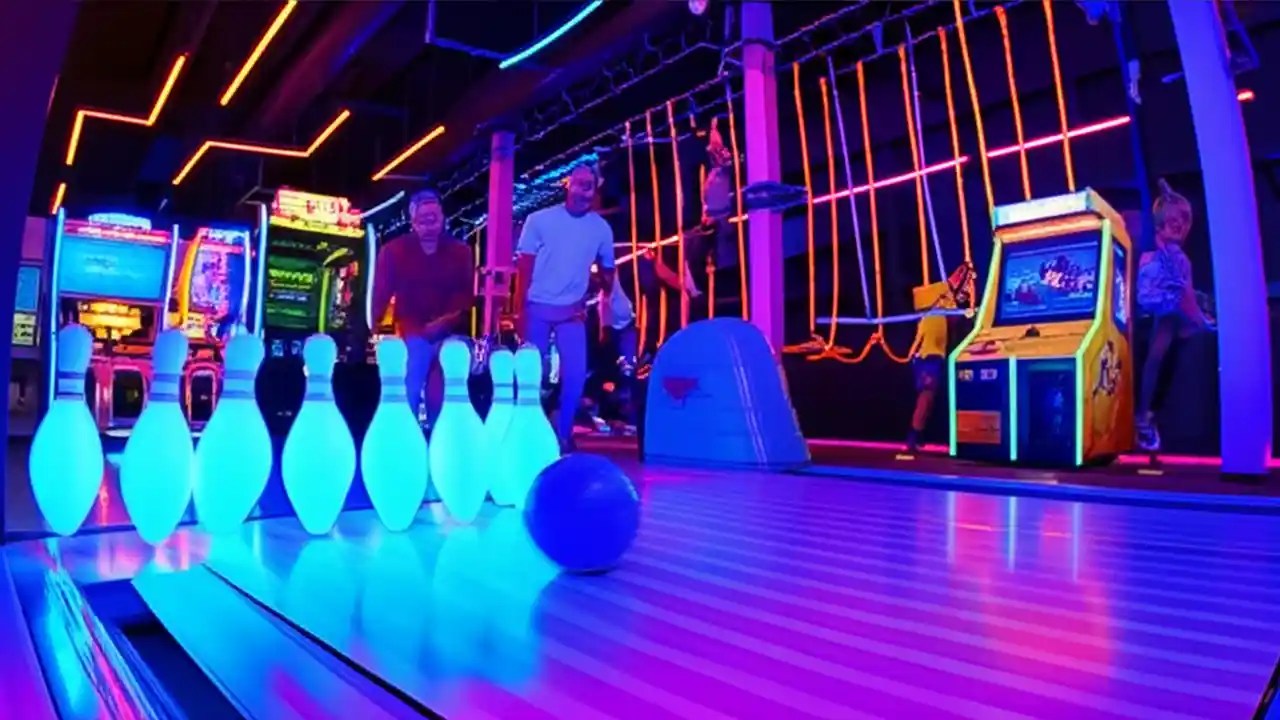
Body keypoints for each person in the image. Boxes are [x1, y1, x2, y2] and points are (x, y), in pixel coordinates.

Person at [515, 163, 616, 452]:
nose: (583, 186)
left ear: (595, 189)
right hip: (537, 307)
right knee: (533, 373)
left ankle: (562, 434)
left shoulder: (601, 229)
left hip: (572, 312)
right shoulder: (539, 220)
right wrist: (520, 309)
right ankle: (529, 430)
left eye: (589, 183)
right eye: (579, 180)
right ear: (568, 184)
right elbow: (524, 267)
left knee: (575, 374)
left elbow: (608, 275)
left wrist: (597, 282)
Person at [370, 189, 475, 424]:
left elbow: (465, 298)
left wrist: (446, 322)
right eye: (423, 220)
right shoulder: (393, 251)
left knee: (448, 368)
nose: (429, 224)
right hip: (412, 328)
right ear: (413, 222)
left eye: (434, 218)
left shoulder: (462, 252)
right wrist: (373, 328)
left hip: (451, 328)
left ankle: (442, 433)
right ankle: (405, 430)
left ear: (443, 218)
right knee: (415, 361)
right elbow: (380, 295)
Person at [1134, 179, 1214, 452]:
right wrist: (1202, 323)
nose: (1178, 225)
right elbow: (1181, 296)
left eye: (1182, 221)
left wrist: (1199, 321)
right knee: (1159, 353)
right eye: (1172, 221)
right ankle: (1144, 416)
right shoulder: (1155, 258)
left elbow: (1186, 296)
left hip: (1163, 316)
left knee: (1163, 350)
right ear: (1160, 226)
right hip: (1152, 314)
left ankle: (1146, 416)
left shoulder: (1175, 259)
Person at [905, 264, 972, 453]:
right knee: (925, 397)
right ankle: (914, 435)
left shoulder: (945, 306)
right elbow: (952, 281)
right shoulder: (933, 300)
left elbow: (955, 319)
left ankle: (917, 434)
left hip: (934, 355)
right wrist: (963, 270)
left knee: (929, 398)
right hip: (926, 356)